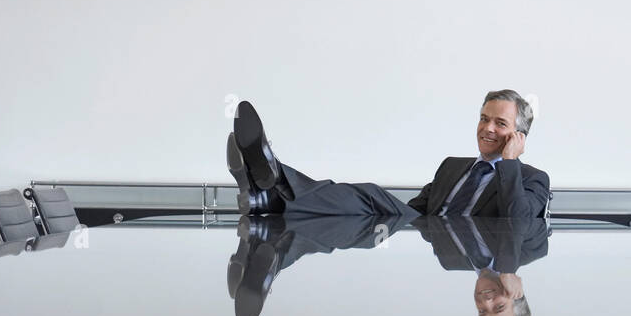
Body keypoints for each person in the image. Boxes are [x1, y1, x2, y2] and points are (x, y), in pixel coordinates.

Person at [227, 91, 549, 223]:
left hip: (468, 244)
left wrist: (508, 163)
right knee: (366, 200)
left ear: (519, 136)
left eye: (500, 123)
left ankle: (270, 185)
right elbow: (415, 210)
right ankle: (267, 196)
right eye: (483, 118)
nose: (487, 128)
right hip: (427, 233)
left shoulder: (533, 179)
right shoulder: (453, 166)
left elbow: (518, 222)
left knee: (371, 198)